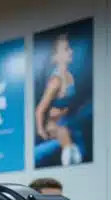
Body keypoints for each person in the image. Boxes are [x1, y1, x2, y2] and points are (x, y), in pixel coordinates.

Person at [35, 34, 83, 167]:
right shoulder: (55, 81)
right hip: (56, 125)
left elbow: (70, 103)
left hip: (67, 120)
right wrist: (42, 131)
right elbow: (39, 110)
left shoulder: (70, 76)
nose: (71, 52)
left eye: (70, 48)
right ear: (56, 57)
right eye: (66, 49)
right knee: (64, 134)